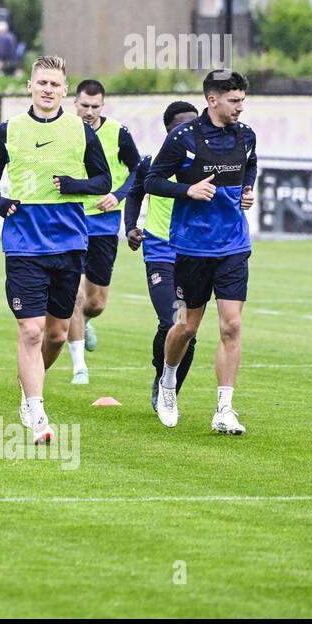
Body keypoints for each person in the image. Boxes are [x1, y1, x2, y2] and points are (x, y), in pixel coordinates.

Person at [0, 56, 111, 445]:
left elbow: (102, 179)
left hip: (68, 243)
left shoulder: (82, 132)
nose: (48, 89)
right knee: (31, 330)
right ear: (30, 87)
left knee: (55, 334)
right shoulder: (8, 130)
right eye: (42, 82)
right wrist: (0, 204)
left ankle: (29, 387)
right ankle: (36, 410)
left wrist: (74, 184)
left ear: (65, 90)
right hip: (23, 244)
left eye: (55, 83)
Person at [146, 70, 257, 435]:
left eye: (242, 99)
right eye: (234, 101)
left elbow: (250, 163)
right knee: (186, 326)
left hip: (233, 246)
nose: (241, 107)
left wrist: (247, 189)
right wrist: (187, 190)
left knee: (232, 324)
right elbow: (152, 180)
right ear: (212, 100)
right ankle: (168, 382)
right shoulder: (183, 138)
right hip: (192, 247)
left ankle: (225, 409)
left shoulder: (246, 136)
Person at [124, 101, 200, 411]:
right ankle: (162, 380)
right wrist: (130, 226)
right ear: (169, 130)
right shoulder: (151, 162)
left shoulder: (206, 164)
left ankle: (169, 388)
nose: (191, 131)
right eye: (183, 126)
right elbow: (135, 193)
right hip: (160, 251)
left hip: (195, 252)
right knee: (173, 320)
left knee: (188, 333)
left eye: (196, 124)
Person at [67, 79, 141, 384]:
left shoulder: (118, 132)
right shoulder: (64, 131)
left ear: (103, 106)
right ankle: (79, 366)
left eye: (94, 106)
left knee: (95, 303)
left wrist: (119, 195)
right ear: (75, 103)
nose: (88, 111)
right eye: (84, 105)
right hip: (71, 221)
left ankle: (84, 322)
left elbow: (139, 169)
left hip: (105, 225)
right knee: (76, 295)